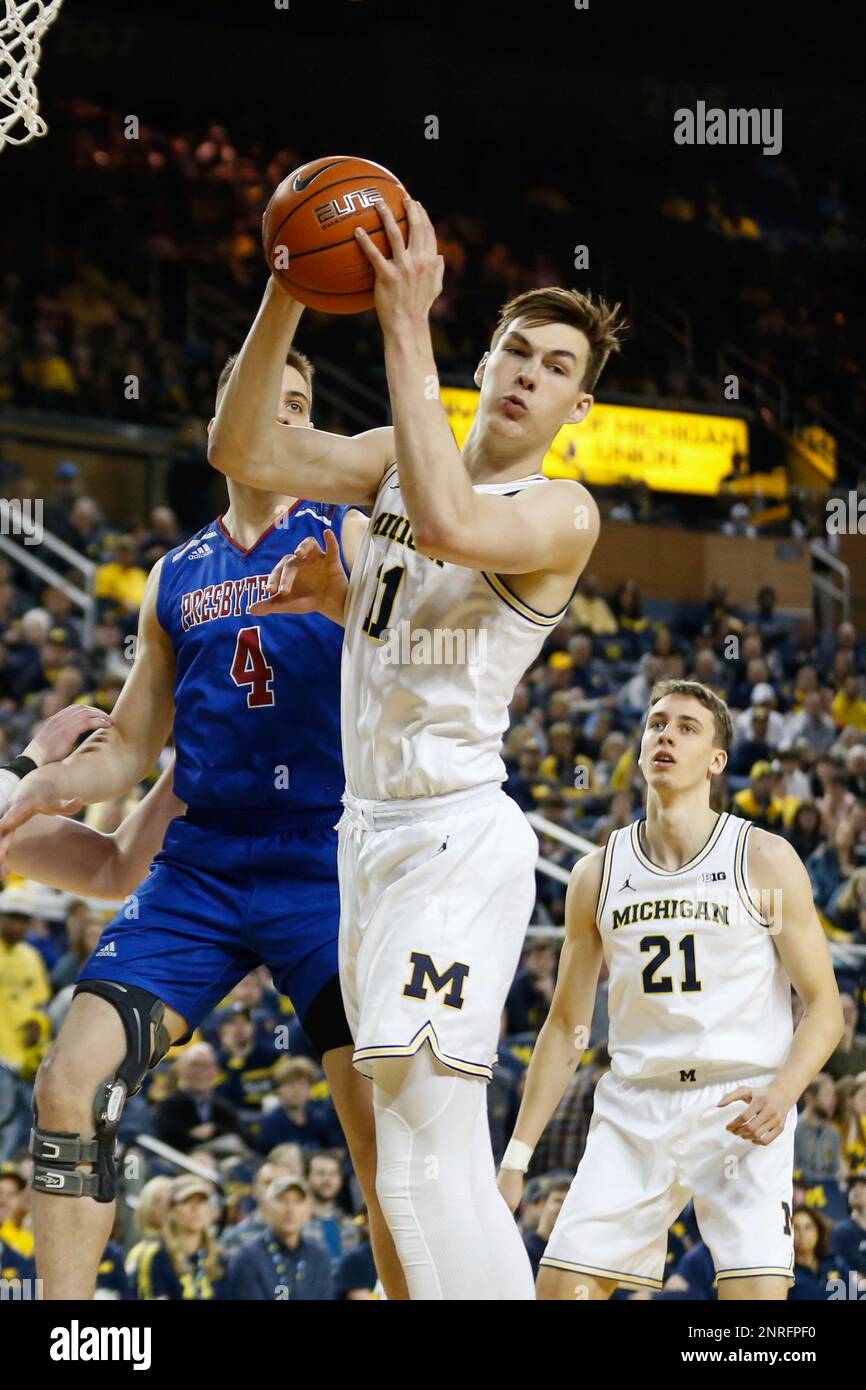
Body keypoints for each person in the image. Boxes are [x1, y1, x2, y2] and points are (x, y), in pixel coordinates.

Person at [208, 196, 624, 1300]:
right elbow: (240, 445)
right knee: (402, 1166)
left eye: (554, 366)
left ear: (576, 405)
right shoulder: (404, 454)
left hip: (455, 836)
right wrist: (291, 287)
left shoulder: (560, 510)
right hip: (368, 837)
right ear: (485, 360)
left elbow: (445, 524)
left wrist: (401, 320)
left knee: (427, 1145)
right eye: (516, 350)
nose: (528, 373)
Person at [0, 354, 405, 1299]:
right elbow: (129, 752)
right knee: (68, 1085)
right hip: (204, 868)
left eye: (307, 408)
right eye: (273, 402)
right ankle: (67, 1334)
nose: (289, 422)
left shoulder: (349, 531)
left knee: (384, 1141)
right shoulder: (175, 574)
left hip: (328, 858)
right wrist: (45, 778)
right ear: (228, 423)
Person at [498, 679, 843, 1300]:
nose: (667, 734)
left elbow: (824, 1008)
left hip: (739, 1102)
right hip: (635, 1104)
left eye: (688, 727)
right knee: (559, 1292)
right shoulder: (596, 873)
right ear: (639, 746)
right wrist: (515, 1161)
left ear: (717, 759)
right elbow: (566, 1028)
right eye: (657, 723)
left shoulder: (763, 858)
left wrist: (784, 1092)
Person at [226, 1174, 332, 1300]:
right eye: (282, 1200)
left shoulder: (319, 1257)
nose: (290, 1209)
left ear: (308, 1211)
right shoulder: (247, 1257)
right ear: (265, 1209)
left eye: (297, 1201)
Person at [134, 1174, 228, 1300]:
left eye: (202, 1201)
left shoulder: (219, 1256)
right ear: (170, 1210)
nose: (196, 1208)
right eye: (187, 1201)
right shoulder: (155, 1255)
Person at [153, 1043, 241, 1154]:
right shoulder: (167, 1104)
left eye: (207, 1065)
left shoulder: (223, 1105)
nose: (201, 1072)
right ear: (180, 1069)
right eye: (194, 1065)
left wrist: (214, 1130)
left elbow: (242, 1133)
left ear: (216, 1071)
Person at [794, 1074, 843, 1181]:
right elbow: (792, 1171)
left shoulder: (833, 1133)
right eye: (827, 1094)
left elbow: (836, 1172)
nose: (833, 1101)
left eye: (834, 1095)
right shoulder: (794, 1130)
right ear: (809, 1098)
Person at [830, 1174, 866, 1276]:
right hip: (852, 1289)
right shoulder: (842, 1231)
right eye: (853, 1186)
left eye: (863, 1185)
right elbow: (835, 1264)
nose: (857, 1190)